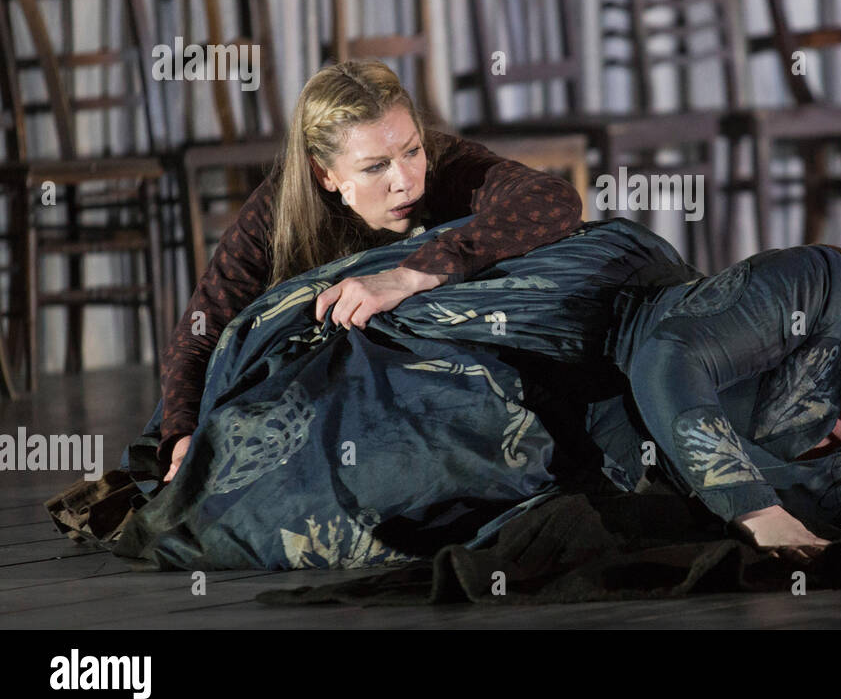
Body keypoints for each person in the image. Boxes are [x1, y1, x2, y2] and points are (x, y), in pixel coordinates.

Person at [105, 192, 841, 571]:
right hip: (563, 383)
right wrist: (750, 504)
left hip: (595, 475)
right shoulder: (821, 289)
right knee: (334, 475)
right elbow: (667, 355)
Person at [156, 59, 585, 482]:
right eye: (375, 166)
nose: (404, 180)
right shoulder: (279, 210)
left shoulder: (447, 165)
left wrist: (412, 274)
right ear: (324, 174)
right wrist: (182, 435)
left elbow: (550, 200)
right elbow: (201, 328)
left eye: (411, 150)